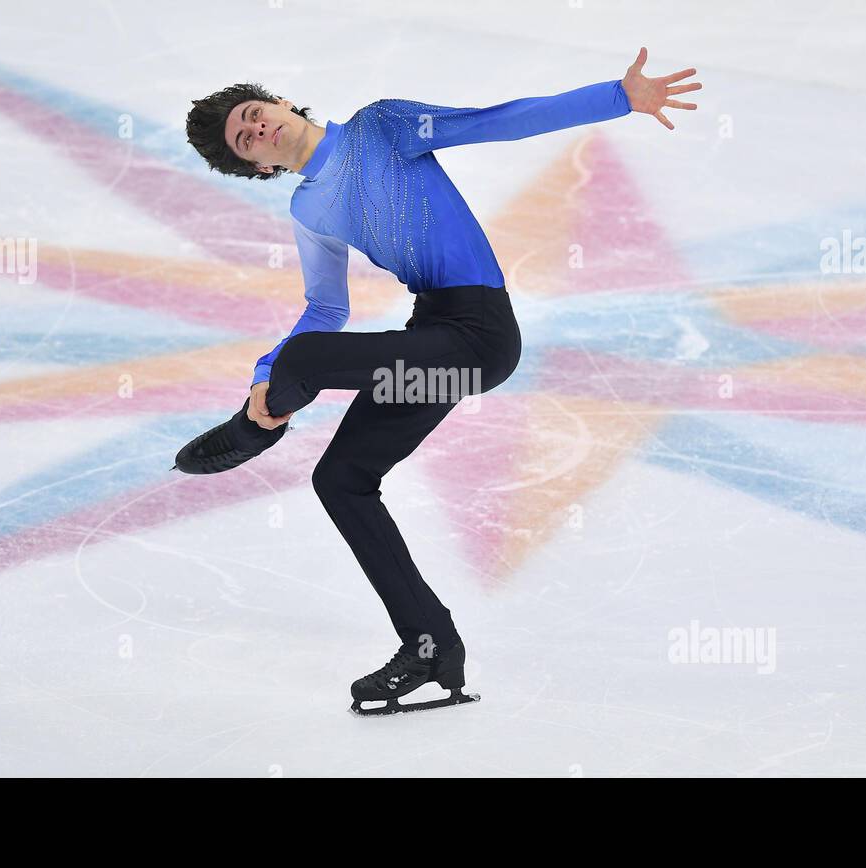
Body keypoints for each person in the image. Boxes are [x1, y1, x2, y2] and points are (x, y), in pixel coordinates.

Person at [178, 47, 701, 715]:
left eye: (256, 114)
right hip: (433, 352)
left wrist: (617, 97)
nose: (259, 129)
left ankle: (253, 429)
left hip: (478, 338)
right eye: (246, 140)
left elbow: (496, 122)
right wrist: (264, 372)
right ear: (259, 167)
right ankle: (431, 648)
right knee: (339, 478)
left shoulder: (381, 126)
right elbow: (327, 308)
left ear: (280, 103)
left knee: (303, 363)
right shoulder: (310, 210)